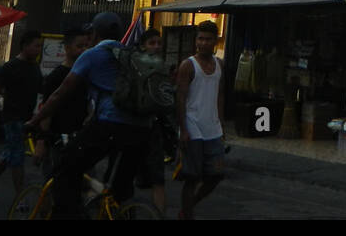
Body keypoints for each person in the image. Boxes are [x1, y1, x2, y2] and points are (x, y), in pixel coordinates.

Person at [28, 12, 151, 219]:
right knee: (119, 189)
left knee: (65, 169)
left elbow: (59, 94)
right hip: (141, 130)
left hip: (110, 125)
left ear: (94, 34)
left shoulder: (93, 55)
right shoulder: (131, 54)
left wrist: (35, 121)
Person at [0, 29, 44, 204]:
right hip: (12, 118)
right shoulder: (9, 67)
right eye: (36, 46)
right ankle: (20, 197)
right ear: (25, 46)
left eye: (40, 47)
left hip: (27, 119)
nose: (38, 50)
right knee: (17, 157)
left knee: (9, 154)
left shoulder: (35, 68)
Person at [175, 20, 225, 220]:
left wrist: (221, 122)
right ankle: (187, 215)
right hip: (193, 127)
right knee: (192, 178)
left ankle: (188, 207)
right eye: (200, 38)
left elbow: (220, 96)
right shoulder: (188, 65)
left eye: (208, 39)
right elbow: (180, 98)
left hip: (213, 129)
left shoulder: (220, 65)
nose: (203, 43)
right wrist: (183, 129)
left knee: (216, 175)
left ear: (215, 41)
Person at [35, 24, 90, 179]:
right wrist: (41, 140)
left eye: (86, 46)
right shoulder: (56, 76)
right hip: (57, 140)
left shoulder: (86, 75)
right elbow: (47, 110)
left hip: (79, 138)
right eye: (79, 46)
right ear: (66, 48)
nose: (84, 50)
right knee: (52, 184)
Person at [135, 29, 172, 217]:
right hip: (132, 126)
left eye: (158, 43)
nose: (156, 47)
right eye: (152, 43)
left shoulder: (163, 68)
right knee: (126, 176)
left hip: (154, 128)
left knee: (158, 179)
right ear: (143, 46)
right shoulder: (133, 67)